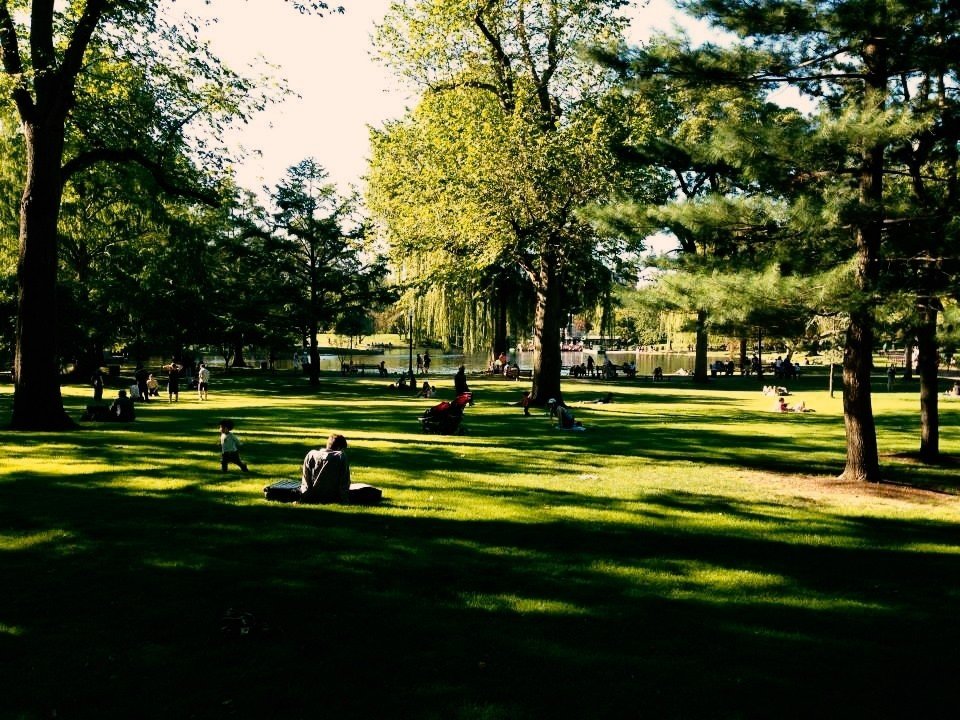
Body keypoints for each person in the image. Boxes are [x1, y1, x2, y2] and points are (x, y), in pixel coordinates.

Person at [300, 434, 351, 504]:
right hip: (332, 497)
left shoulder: (311, 454)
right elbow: (344, 481)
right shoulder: (340, 456)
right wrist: (345, 500)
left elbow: (306, 479)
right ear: (339, 448)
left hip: (312, 495)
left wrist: (305, 496)